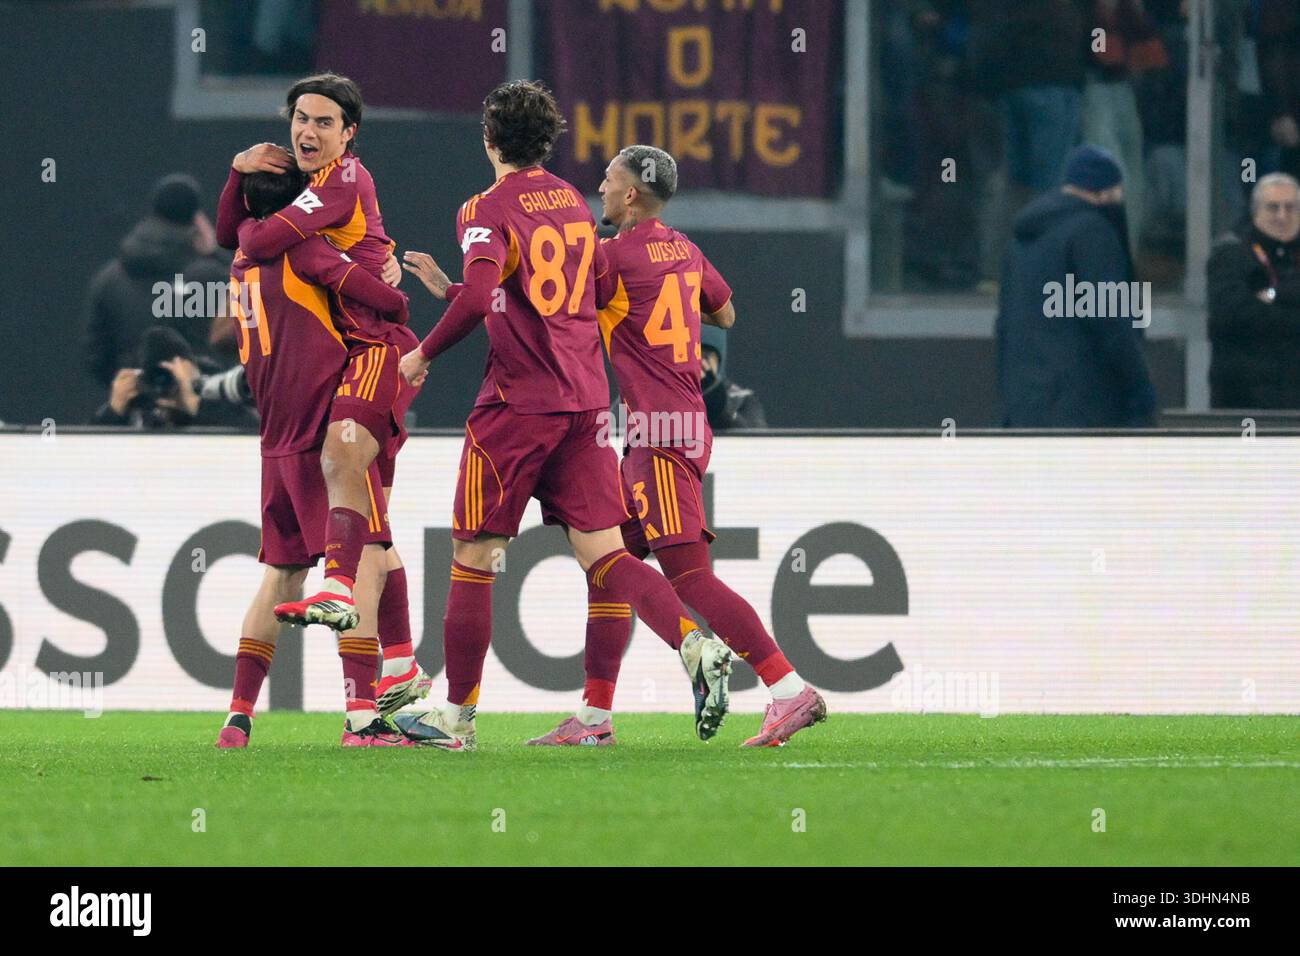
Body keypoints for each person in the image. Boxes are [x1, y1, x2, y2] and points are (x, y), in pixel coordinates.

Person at [396, 81, 733, 751]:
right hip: (584, 401)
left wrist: (423, 353)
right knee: (604, 552)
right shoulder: (580, 212)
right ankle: (692, 642)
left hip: (517, 404)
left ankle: (455, 719)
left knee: (474, 554)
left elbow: (484, 296)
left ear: (489, 139)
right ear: (547, 141)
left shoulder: (482, 209)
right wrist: (458, 290)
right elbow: (548, 295)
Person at [527, 145, 825, 748]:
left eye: (608, 181)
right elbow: (728, 312)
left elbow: (552, 307)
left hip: (659, 431)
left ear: (631, 193)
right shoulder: (684, 248)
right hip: (672, 425)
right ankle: (594, 719)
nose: (601, 190)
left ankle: (789, 688)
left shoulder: (611, 259)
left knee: (688, 578)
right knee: (609, 570)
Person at [215, 73, 429, 726]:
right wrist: (375, 271)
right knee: (372, 539)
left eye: (323, 122)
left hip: (367, 364)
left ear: (349, 133)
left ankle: (255, 714)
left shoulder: (339, 185)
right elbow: (245, 232)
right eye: (300, 119)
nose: (307, 131)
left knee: (339, 549)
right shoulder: (304, 247)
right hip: (336, 385)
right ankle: (390, 683)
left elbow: (243, 237)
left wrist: (238, 184)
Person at [996, 145, 1158, 427]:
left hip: (1026, 403)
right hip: (1086, 406)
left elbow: (1005, 325)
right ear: (1105, 192)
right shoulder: (1093, 233)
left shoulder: (1021, 239)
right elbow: (1111, 321)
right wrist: (1139, 387)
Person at [82, 173, 230, 391]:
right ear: (196, 219)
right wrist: (216, 253)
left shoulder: (110, 277)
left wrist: (134, 390)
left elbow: (95, 356)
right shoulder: (213, 275)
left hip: (137, 411)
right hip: (206, 409)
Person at [1207, 173, 1300, 408]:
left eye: (1291, 208)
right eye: (1273, 207)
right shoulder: (1230, 254)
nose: (1282, 216)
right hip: (1245, 399)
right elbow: (1232, 317)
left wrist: (1272, 295)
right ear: (1255, 211)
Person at [699, 325, 768, 431]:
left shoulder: (742, 400)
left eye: (706, 357)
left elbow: (758, 443)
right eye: (694, 355)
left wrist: (718, 405)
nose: (700, 364)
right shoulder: (670, 397)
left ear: (719, 360)